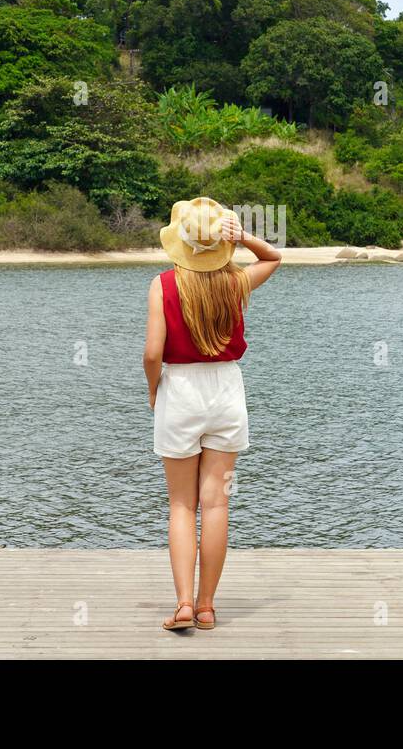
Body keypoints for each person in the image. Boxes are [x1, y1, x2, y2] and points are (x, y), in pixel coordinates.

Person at [143, 197, 281, 631]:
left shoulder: (163, 285)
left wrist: (153, 392)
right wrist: (244, 238)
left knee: (181, 506)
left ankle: (183, 603)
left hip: (180, 390)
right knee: (216, 503)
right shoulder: (235, 282)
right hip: (225, 390)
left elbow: (152, 354)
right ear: (221, 242)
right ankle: (206, 608)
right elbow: (275, 256)